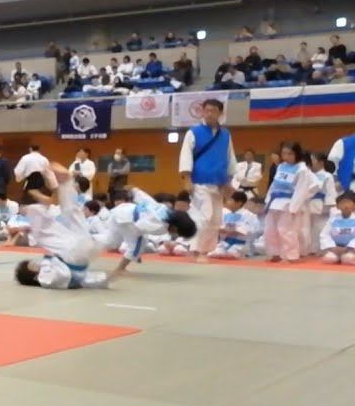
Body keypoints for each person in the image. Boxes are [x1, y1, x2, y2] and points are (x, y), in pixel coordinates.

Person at [13, 164, 112, 289]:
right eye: (32, 265)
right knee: (68, 218)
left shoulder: (47, 271)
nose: (36, 263)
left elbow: (81, 279)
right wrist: (51, 259)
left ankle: (66, 182)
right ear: (31, 274)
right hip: (73, 253)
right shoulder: (45, 277)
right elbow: (63, 277)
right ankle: (65, 183)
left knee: (72, 215)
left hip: (79, 253)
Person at [178, 98, 236, 262]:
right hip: (199, 181)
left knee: (215, 219)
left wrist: (228, 181)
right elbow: (186, 156)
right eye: (207, 110)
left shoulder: (225, 134)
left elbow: (229, 158)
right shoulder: (193, 132)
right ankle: (195, 251)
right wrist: (187, 179)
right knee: (203, 216)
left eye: (214, 110)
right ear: (202, 112)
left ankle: (205, 251)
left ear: (220, 113)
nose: (210, 113)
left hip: (218, 182)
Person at [98, 185, 198, 275]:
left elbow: (146, 199)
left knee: (111, 242)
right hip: (126, 219)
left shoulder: (164, 209)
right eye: (177, 232)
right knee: (138, 243)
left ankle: (88, 239)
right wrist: (136, 250)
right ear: (176, 228)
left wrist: (134, 190)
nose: (175, 233)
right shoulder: (161, 226)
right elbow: (139, 227)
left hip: (123, 210)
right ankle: (120, 268)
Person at [262, 142, 317, 263]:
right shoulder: (281, 166)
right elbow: (274, 185)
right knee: (269, 229)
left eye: (290, 154)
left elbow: (301, 189)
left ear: (297, 154)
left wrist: (294, 207)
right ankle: (274, 253)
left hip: (288, 202)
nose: (286, 156)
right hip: (274, 201)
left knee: (286, 230)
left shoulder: (302, 169)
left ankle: (291, 256)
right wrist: (267, 201)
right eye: (284, 153)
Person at [208, 191, 260, 260]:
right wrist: (220, 229)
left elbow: (249, 230)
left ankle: (237, 252)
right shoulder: (225, 213)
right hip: (225, 242)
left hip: (241, 243)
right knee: (213, 254)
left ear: (239, 203)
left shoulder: (249, 215)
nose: (227, 202)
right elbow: (220, 226)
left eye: (230, 200)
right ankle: (224, 251)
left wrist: (235, 230)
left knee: (232, 254)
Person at [308, 154, 337, 255]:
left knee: (320, 227)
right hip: (308, 203)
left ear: (321, 162)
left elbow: (330, 193)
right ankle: (311, 249)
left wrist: (330, 206)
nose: (311, 162)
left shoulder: (327, 176)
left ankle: (322, 249)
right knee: (309, 227)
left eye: (313, 160)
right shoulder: (310, 175)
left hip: (321, 205)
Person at [319, 191, 355, 264]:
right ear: (338, 206)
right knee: (329, 259)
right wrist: (332, 247)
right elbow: (324, 234)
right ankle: (338, 256)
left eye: (349, 203)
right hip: (336, 247)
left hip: (351, 249)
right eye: (343, 203)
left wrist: (349, 248)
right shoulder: (333, 219)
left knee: (348, 259)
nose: (346, 206)